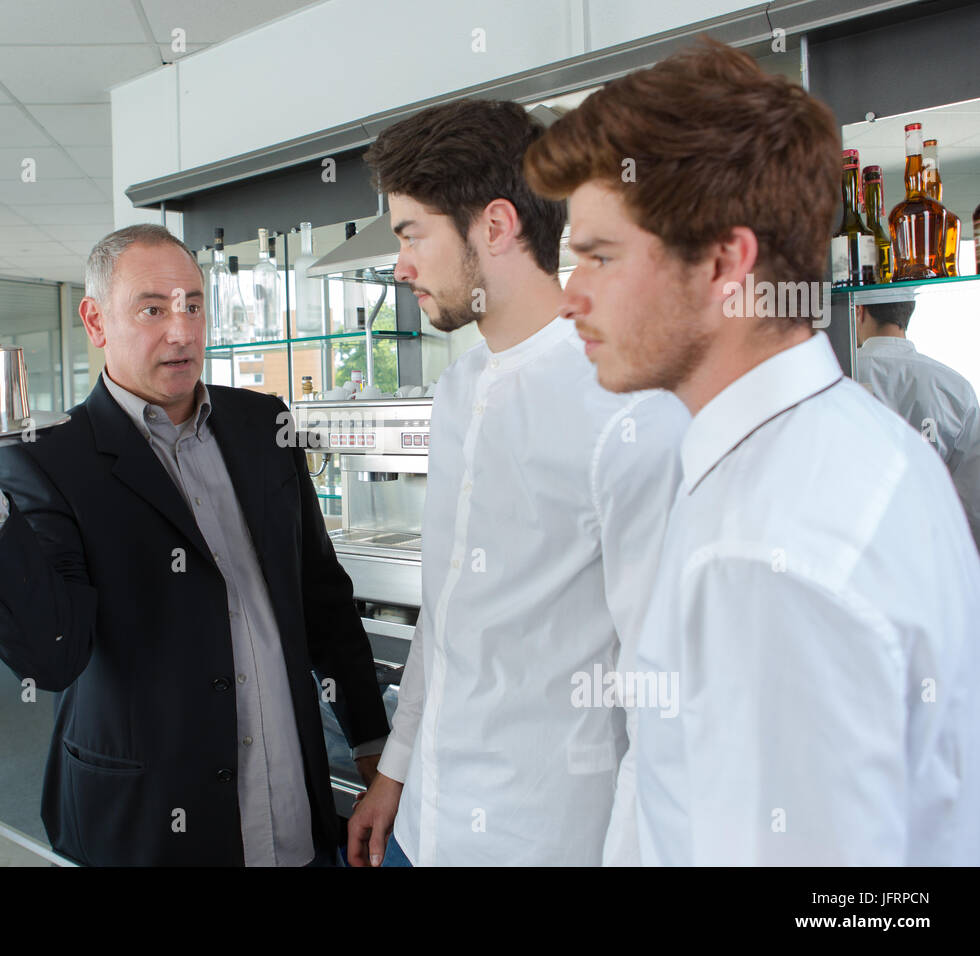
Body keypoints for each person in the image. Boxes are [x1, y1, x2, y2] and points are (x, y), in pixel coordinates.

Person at [524, 38, 980, 865]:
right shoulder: (851, 444)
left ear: (726, 265)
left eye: (599, 256)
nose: (570, 298)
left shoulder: (762, 552)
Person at [0, 224, 390, 866]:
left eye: (193, 305)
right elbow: (51, 657)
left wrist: (371, 744)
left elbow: (322, 598)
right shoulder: (47, 457)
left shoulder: (265, 425)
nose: (182, 330)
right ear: (96, 322)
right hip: (149, 822)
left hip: (291, 810)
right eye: (152, 309)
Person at [346, 98, 687, 867]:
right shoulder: (459, 388)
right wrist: (395, 774)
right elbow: (446, 614)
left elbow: (664, 684)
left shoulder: (625, 405)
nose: (400, 265)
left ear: (496, 227)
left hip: (540, 835)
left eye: (411, 235)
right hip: (423, 822)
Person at [855, 300, 980, 548]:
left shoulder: (841, 372)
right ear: (908, 312)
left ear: (859, 311)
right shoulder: (955, 389)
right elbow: (973, 506)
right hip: (932, 555)